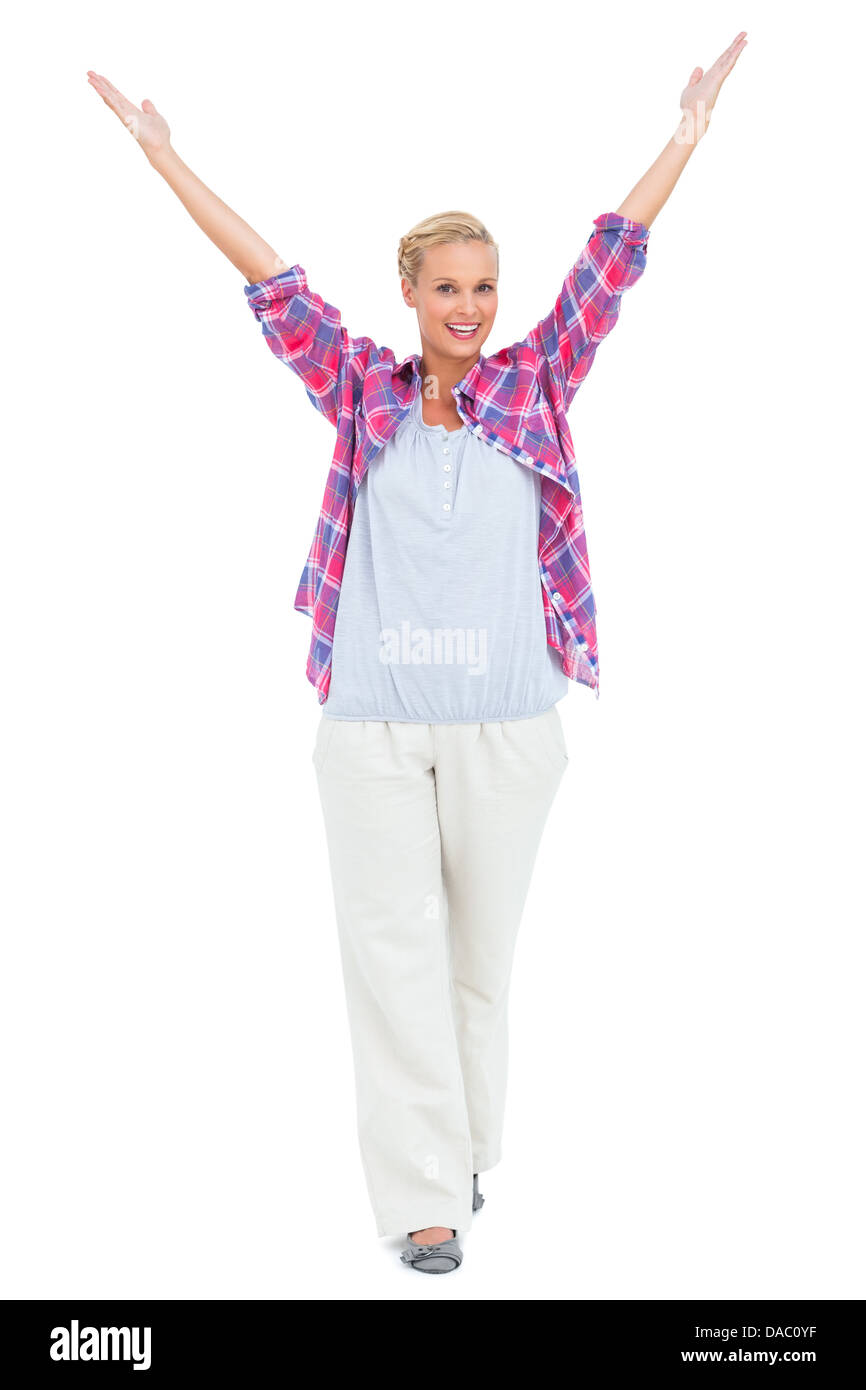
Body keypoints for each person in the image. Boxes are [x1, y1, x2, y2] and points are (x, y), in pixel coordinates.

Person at [86, 30, 747, 1276]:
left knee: (475, 969)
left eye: (483, 288)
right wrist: (165, 159)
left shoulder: (535, 385)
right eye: (446, 288)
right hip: (373, 729)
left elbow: (613, 260)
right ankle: (422, 1200)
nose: (468, 309)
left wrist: (684, 136)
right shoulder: (357, 391)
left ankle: (462, 1148)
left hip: (509, 724)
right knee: (392, 964)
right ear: (410, 294)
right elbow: (269, 277)